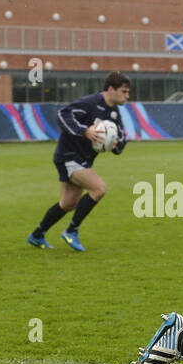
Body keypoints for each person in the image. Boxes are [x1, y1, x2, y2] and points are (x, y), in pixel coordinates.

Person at [27, 72, 129, 251]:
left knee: (68, 203)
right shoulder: (90, 103)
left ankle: (37, 234)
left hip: (83, 159)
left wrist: (116, 145)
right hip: (69, 156)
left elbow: (121, 137)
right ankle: (71, 231)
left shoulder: (114, 113)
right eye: (124, 91)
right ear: (111, 89)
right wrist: (85, 131)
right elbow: (63, 115)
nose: (127, 96)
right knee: (98, 189)